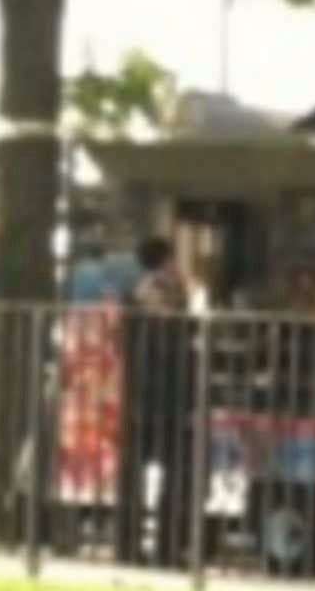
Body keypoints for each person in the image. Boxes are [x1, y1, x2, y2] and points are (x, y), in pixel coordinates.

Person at [122, 236, 194, 568]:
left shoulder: (135, 297)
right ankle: (164, 547)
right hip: (164, 398)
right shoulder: (160, 294)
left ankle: (133, 546)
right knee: (174, 475)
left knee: (136, 475)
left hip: (143, 397)